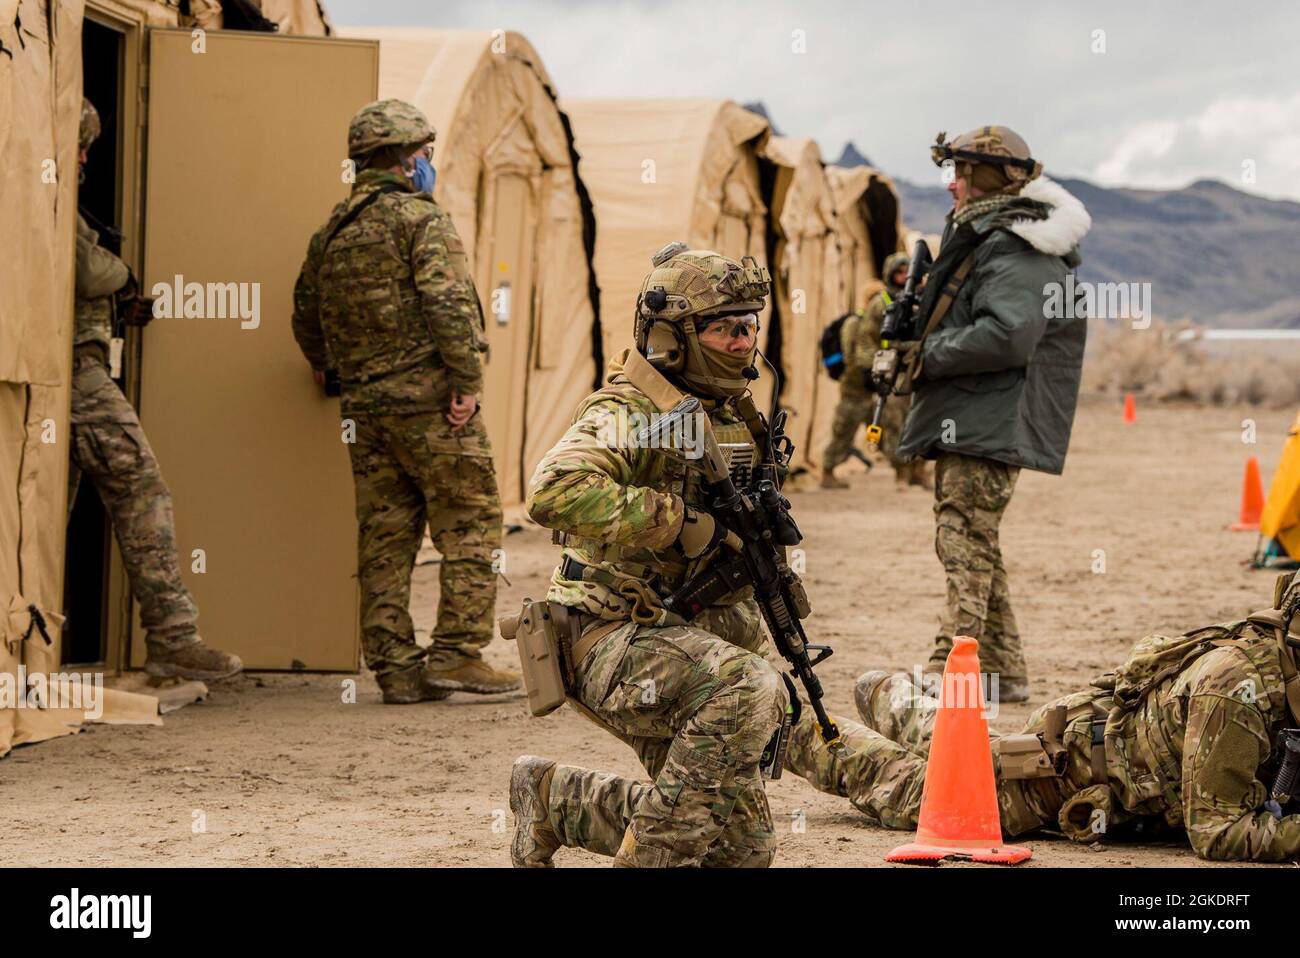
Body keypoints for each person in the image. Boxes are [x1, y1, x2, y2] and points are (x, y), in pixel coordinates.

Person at [508, 243, 790, 867]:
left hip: (677, 641)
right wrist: (677, 523)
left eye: (750, 326)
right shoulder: (629, 410)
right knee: (746, 687)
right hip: (604, 633)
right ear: (671, 337)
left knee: (741, 853)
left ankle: (554, 798)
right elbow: (553, 489)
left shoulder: (731, 415)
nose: (744, 342)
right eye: (724, 329)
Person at [785, 576, 1300, 862]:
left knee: (970, 746)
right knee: (916, 793)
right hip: (1053, 779)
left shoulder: (1282, 663)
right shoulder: (1237, 689)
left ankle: (892, 697)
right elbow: (1219, 832)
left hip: (1093, 747)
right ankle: (790, 730)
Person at [292, 99, 518, 704]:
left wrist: (331, 369)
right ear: (405, 160)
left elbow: (305, 316)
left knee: (385, 539)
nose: (427, 166)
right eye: (424, 156)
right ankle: (457, 654)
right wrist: (466, 381)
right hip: (433, 407)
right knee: (470, 520)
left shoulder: (332, 233)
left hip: (367, 414)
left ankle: (396, 671)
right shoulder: (421, 220)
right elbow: (447, 305)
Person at [894, 126, 1091, 703]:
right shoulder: (999, 237)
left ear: (988, 178)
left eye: (961, 172)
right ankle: (1004, 673)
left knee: (962, 539)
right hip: (978, 416)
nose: (952, 184)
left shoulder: (1014, 244)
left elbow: (1010, 335)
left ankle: (948, 670)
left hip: (989, 420)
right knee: (976, 541)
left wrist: (925, 355)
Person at [71, 99, 242, 681]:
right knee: (142, 491)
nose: (85, 156)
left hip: (61, 376)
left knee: (46, 514)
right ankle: (173, 636)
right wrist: (120, 273)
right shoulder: (34, 191)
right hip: (75, 376)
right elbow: (84, 270)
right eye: (80, 143)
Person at [821, 252, 930, 490]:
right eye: (899, 272)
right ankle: (831, 469)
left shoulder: (921, 301)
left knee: (908, 424)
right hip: (876, 375)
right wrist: (873, 371)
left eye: (907, 272)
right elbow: (866, 343)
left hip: (909, 371)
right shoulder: (880, 305)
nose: (904, 277)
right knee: (858, 425)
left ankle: (915, 471)